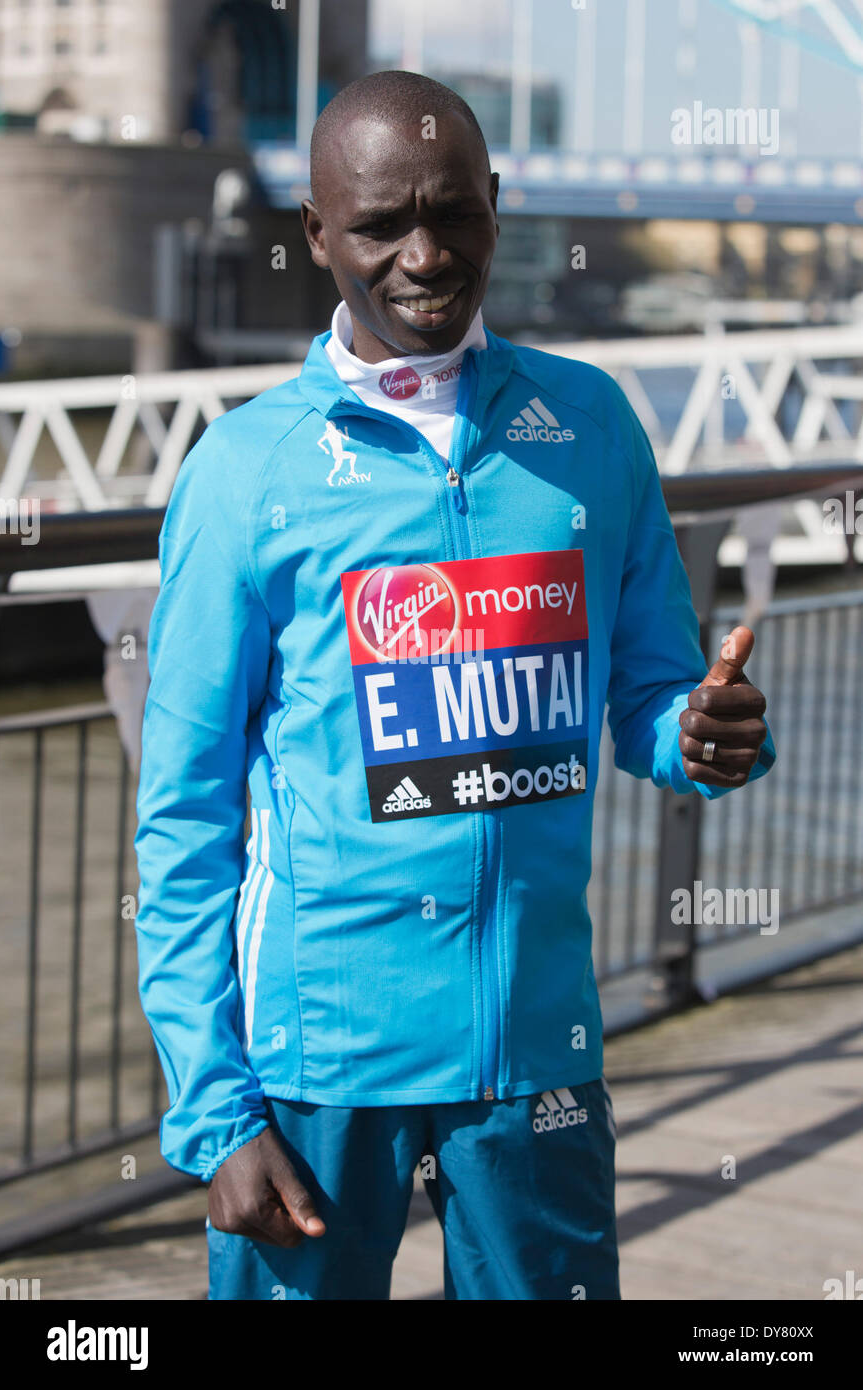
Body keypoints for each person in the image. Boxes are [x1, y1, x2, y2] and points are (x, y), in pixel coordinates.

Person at [134, 70, 776, 1302]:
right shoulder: (242, 473)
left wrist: (705, 733)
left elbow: (647, 701)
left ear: (496, 202)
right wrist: (216, 1115)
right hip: (315, 1063)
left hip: (534, 1048)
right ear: (317, 235)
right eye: (378, 225)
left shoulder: (589, 425)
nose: (423, 255)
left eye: (453, 214)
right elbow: (183, 822)